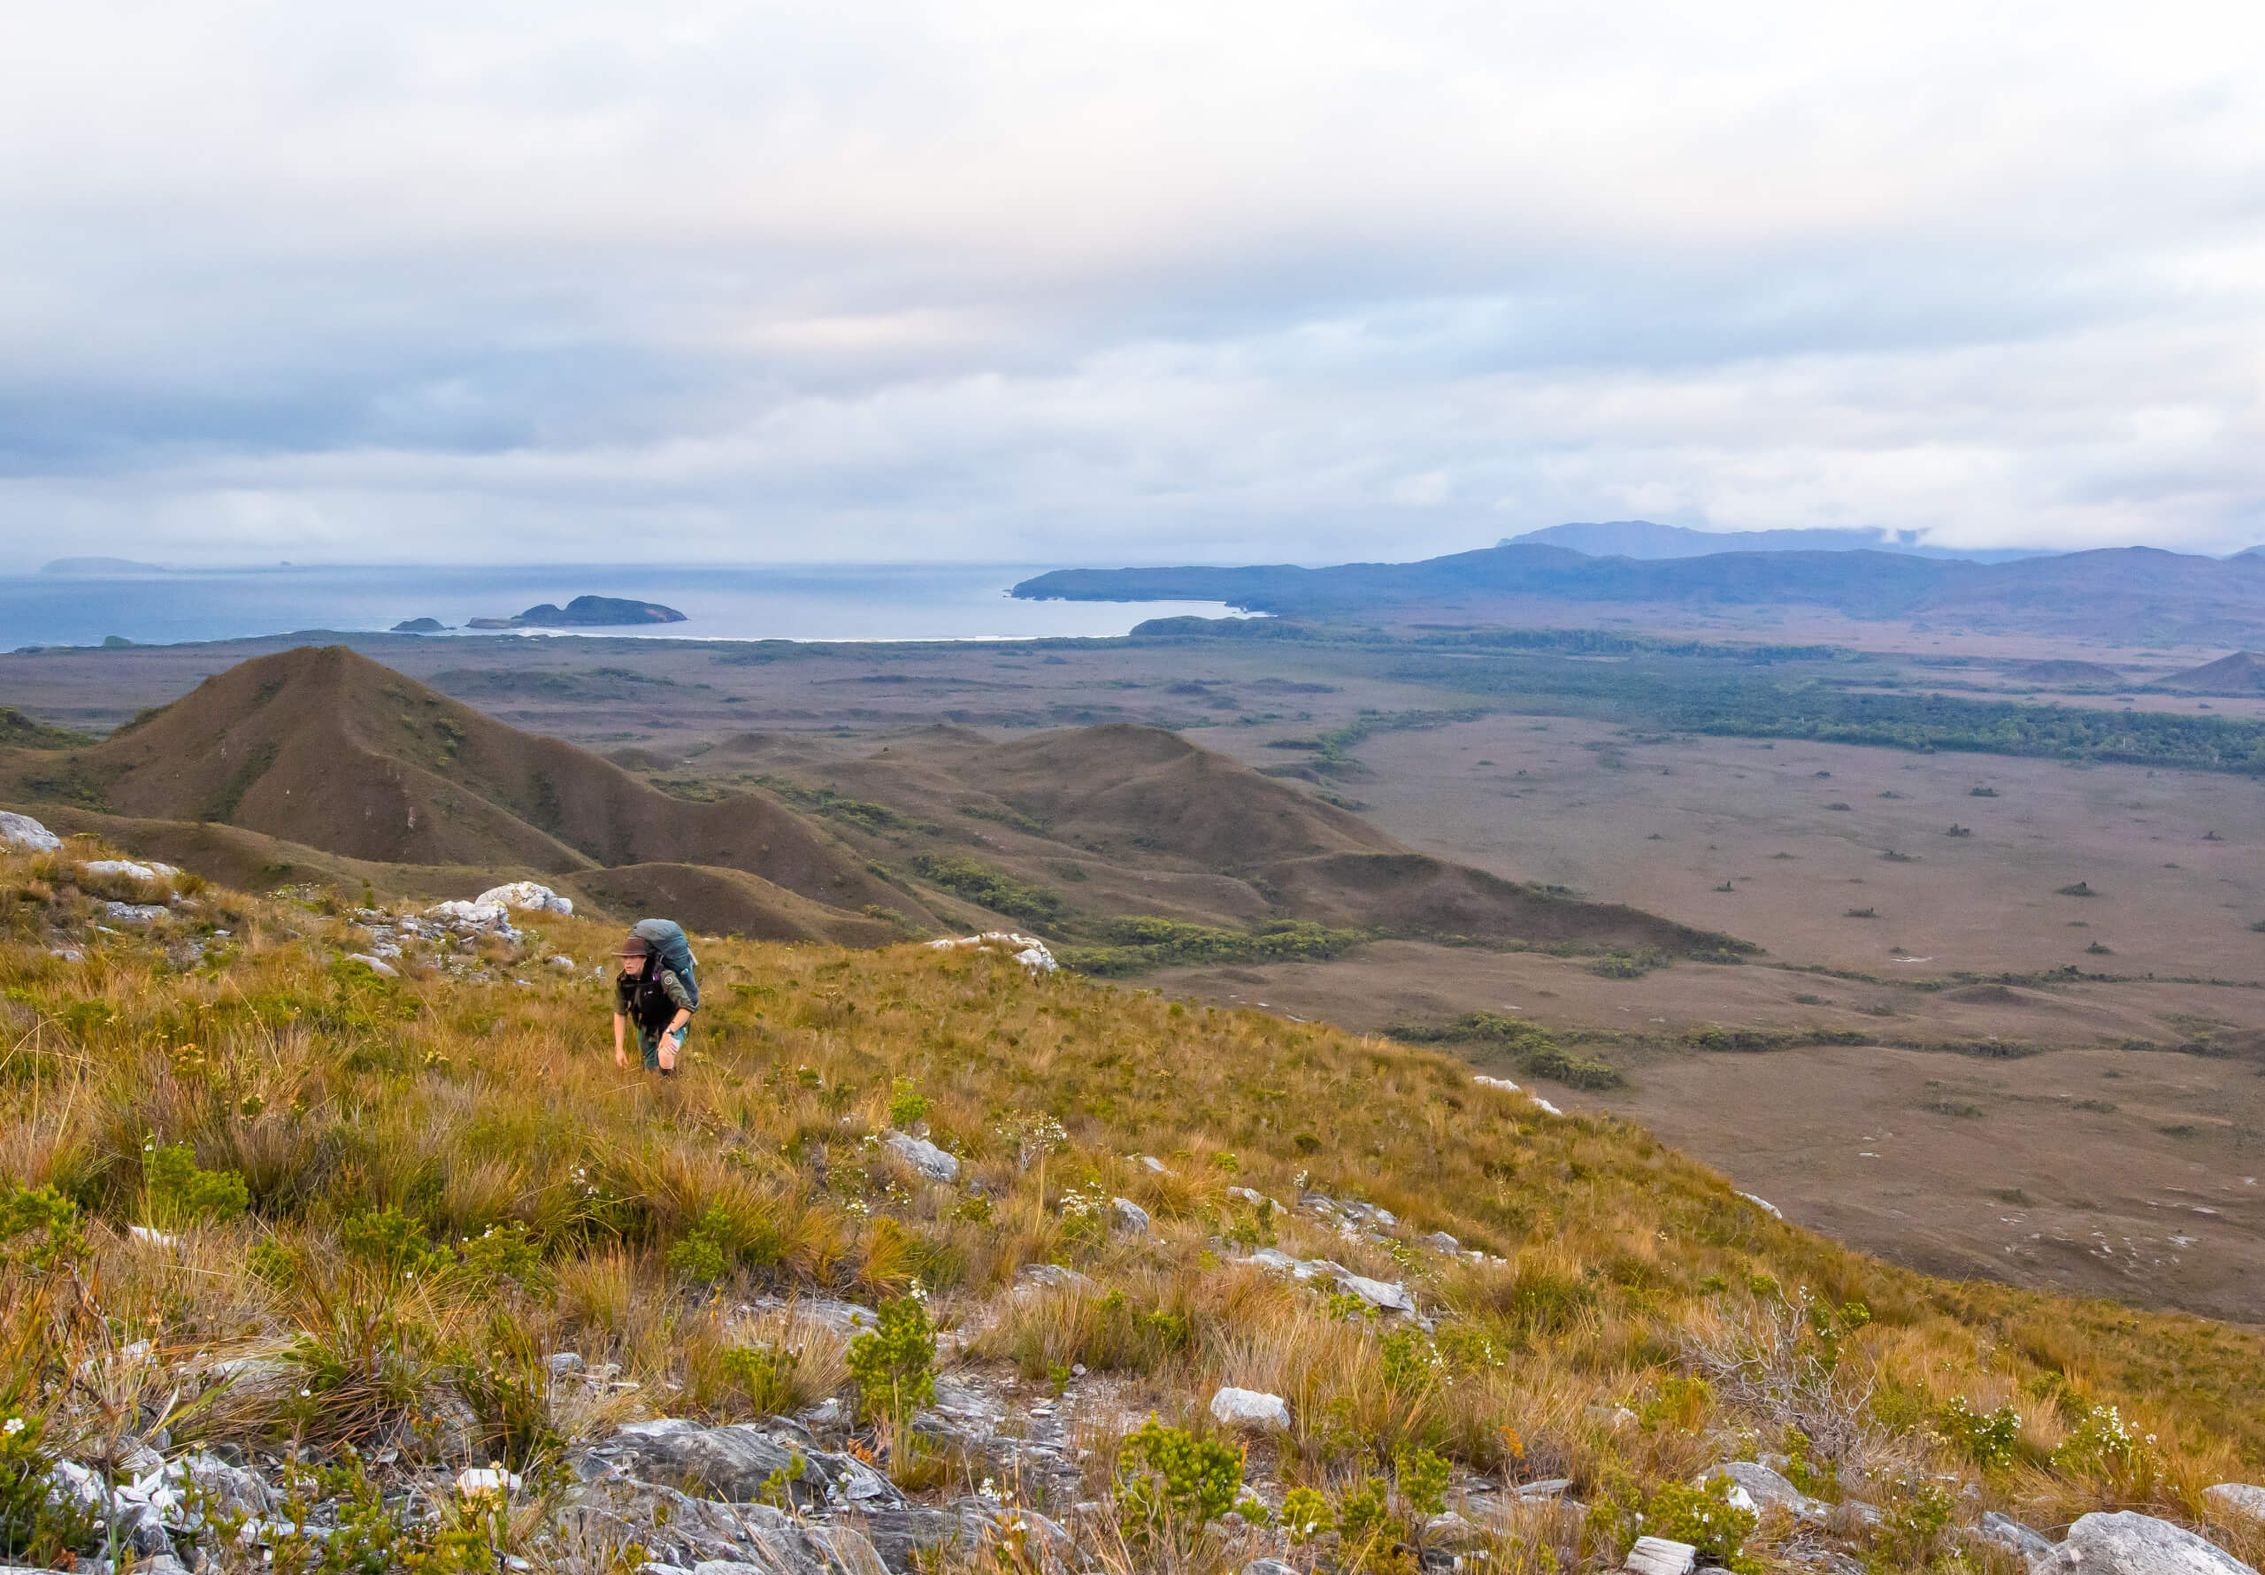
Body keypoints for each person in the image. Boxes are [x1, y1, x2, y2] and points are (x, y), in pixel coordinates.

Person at [613, 931, 694, 1074]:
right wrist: (619, 1049)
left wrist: (669, 1032)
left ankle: (670, 1088)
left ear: (644, 958)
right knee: (651, 1069)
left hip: (672, 1023)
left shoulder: (662, 976)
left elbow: (686, 1007)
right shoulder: (623, 981)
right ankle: (663, 1085)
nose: (627, 962)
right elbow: (620, 1013)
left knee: (665, 1054)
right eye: (625, 957)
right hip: (646, 1028)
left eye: (633, 957)